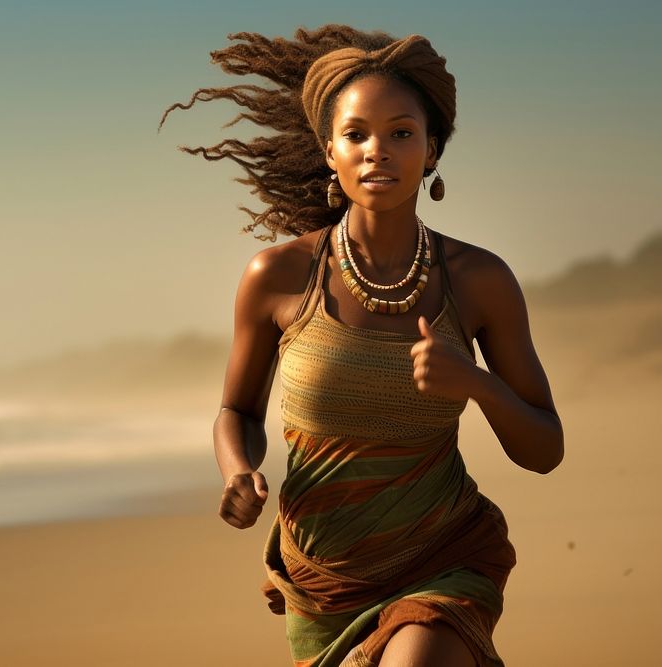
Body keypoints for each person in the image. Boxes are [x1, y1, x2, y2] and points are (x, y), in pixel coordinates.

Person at [158, 24, 563, 667]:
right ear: (329, 152)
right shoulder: (278, 277)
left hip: (444, 557)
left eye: (401, 132)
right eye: (357, 135)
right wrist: (237, 471)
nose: (379, 151)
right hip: (324, 582)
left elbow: (545, 449)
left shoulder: (480, 281)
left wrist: (476, 383)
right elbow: (236, 412)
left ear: (432, 150)